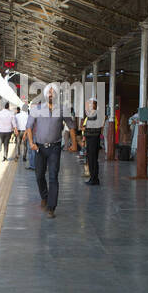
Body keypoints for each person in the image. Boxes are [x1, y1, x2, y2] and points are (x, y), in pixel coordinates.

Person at [26, 85, 79, 219]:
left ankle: (51, 207)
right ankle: (44, 197)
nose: (51, 94)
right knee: (39, 175)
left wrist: (74, 144)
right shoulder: (36, 109)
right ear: (45, 95)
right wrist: (31, 143)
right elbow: (29, 127)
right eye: (49, 92)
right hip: (39, 147)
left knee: (53, 176)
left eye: (53, 92)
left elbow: (72, 127)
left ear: (56, 95)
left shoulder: (62, 109)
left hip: (55, 147)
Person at [82, 97, 105, 185]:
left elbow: (96, 128)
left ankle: (94, 179)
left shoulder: (96, 114)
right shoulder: (91, 114)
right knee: (91, 159)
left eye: (91, 104)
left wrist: (85, 129)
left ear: (95, 105)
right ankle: (93, 178)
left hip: (93, 139)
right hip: (90, 139)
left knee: (93, 159)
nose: (89, 105)